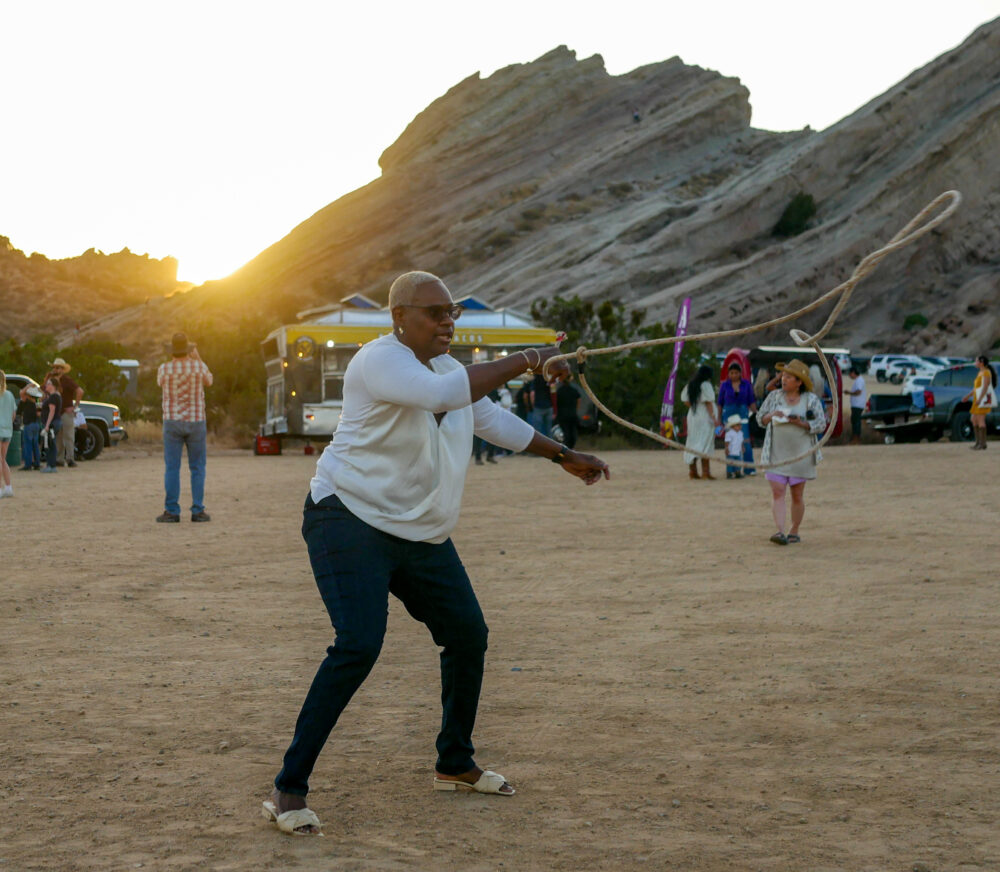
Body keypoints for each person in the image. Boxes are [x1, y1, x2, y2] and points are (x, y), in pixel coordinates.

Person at [264, 270, 610, 836]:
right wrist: (528, 359)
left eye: (452, 312)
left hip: (419, 532)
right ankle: (288, 787)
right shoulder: (379, 360)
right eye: (434, 312)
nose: (447, 321)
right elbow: (440, 398)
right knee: (358, 644)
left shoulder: (451, 370)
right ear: (399, 316)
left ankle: (454, 763)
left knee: (467, 634)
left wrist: (562, 454)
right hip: (347, 517)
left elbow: (489, 419)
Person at [757, 359, 826, 544]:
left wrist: (801, 423)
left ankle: (794, 529)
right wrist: (771, 415)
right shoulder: (774, 397)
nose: (784, 380)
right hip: (776, 453)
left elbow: (821, 424)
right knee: (777, 492)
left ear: (799, 382)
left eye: (789, 377)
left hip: (800, 454)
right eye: (783, 376)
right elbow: (759, 418)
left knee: (797, 495)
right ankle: (779, 531)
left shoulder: (811, 400)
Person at [156, 332, 213, 522]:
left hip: (172, 420)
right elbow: (209, 381)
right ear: (188, 350)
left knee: (172, 467)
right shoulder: (198, 367)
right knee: (197, 467)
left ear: (172, 351)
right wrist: (198, 358)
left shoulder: (164, 369)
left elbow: (160, 383)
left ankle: (172, 510)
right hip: (196, 420)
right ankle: (197, 510)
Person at [717, 362, 757, 475]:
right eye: (732, 373)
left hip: (743, 414)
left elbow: (751, 400)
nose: (734, 375)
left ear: (740, 373)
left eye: (736, 373)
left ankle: (749, 468)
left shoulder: (746, 384)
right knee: (731, 442)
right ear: (728, 374)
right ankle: (732, 469)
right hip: (728, 415)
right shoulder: (724, 385)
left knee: (745, 440)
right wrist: (719, 419)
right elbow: (720, 403)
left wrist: (756, 414)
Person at [682, 364, 719, 480]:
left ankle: (693, 471)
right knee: (705, 443)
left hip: (693, 416)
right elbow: (708, 403)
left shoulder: (691, 384)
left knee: (693, 442)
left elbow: (685, 401)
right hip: (705, 417)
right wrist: (714, 418)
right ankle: (705, 473)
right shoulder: (706, 385)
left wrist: (696, 406)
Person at [45, 358, 82, 467]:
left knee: (68, 436)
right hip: (56, 412)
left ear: (62, 369)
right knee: (58, 436)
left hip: (65, 411)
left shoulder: (67, 380)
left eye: (58, 368)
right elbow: (44, 390)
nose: (55, 369)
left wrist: (75, 407)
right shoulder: (51, 380)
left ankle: (70, 458)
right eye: (54, 367)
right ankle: (59, 459)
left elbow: (79, 391)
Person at [964, 355, 997, 450]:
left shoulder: (986, 372)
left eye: (976, 361)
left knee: (980, 420)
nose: (975, 363)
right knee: (973, 419)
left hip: (982, 400)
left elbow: (985, 387)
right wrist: (968, 396)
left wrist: (980, 399)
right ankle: (978, 442)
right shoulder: (980, 372)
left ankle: (982, 443)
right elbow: (976, 388)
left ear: (981, 362)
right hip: (977, 399)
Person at [40, 376, 63, 473]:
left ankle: (51, 465)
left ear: (53, 386)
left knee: (50, 444)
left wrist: (47, 425)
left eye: (49, 384)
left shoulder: (54, 397)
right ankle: (50, 465)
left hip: (52, 423)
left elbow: (52, 411)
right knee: (50, 443)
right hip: (54, 422)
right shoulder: (54, 396)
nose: (46, 385)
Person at [18, 385, 42, 471]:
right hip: (36, 424)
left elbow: (21, 393)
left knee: (27, 445)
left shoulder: (26, 401)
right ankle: (37, 463)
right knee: (35, 445)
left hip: (28, 424)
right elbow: (39, 414)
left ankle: (28, 464)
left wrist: (28, 386)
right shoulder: (38, 402)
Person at [0, 371, 16, 497]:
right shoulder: (9, 395)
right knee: (3, 460)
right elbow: (13, 414)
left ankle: (0, 488)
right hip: (7, 431)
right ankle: (8, 487)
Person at [555, 375, 581, 449]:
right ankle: (572, 446)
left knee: (566, 431)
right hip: (572, 414)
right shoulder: (573, 390)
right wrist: (576, 409)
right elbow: (579, 399)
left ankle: (567, 446)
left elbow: (556, 402)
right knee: (573, 431)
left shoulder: (559, 391)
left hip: (562, 414)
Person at [845, 365, 867, 445]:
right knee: (855, 421)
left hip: (858, 404)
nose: (849, 376)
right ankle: (855, 438)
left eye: (850, 374)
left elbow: (858, 391)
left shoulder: (859, 381)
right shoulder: (858, 380)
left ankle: (856, 439)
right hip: (856, 404)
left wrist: (849, 393)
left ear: (853, 373)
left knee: (856, 421)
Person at [529, 371, 554, 437]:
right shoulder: (549, 381)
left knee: (537, 431)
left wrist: (533, 405)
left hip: (538, 407)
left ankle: (538, 443)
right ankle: (549, 442)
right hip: (549, 406)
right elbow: (553, 393)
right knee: (549, 429)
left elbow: (532, 394)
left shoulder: (534, 381)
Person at [724, 414, 745, 479]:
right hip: (731, 451)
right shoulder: (729, 433)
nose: (740, 426)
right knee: (730, 463)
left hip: (738, 451)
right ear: (732, 426)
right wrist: (726, 448)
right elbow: (727, 442)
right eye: (737, 425)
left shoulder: (741, 433)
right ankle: (729, 473)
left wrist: (742, 447)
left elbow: (741, 441)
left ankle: (738, 473)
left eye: (740, 425)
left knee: (738, 462)